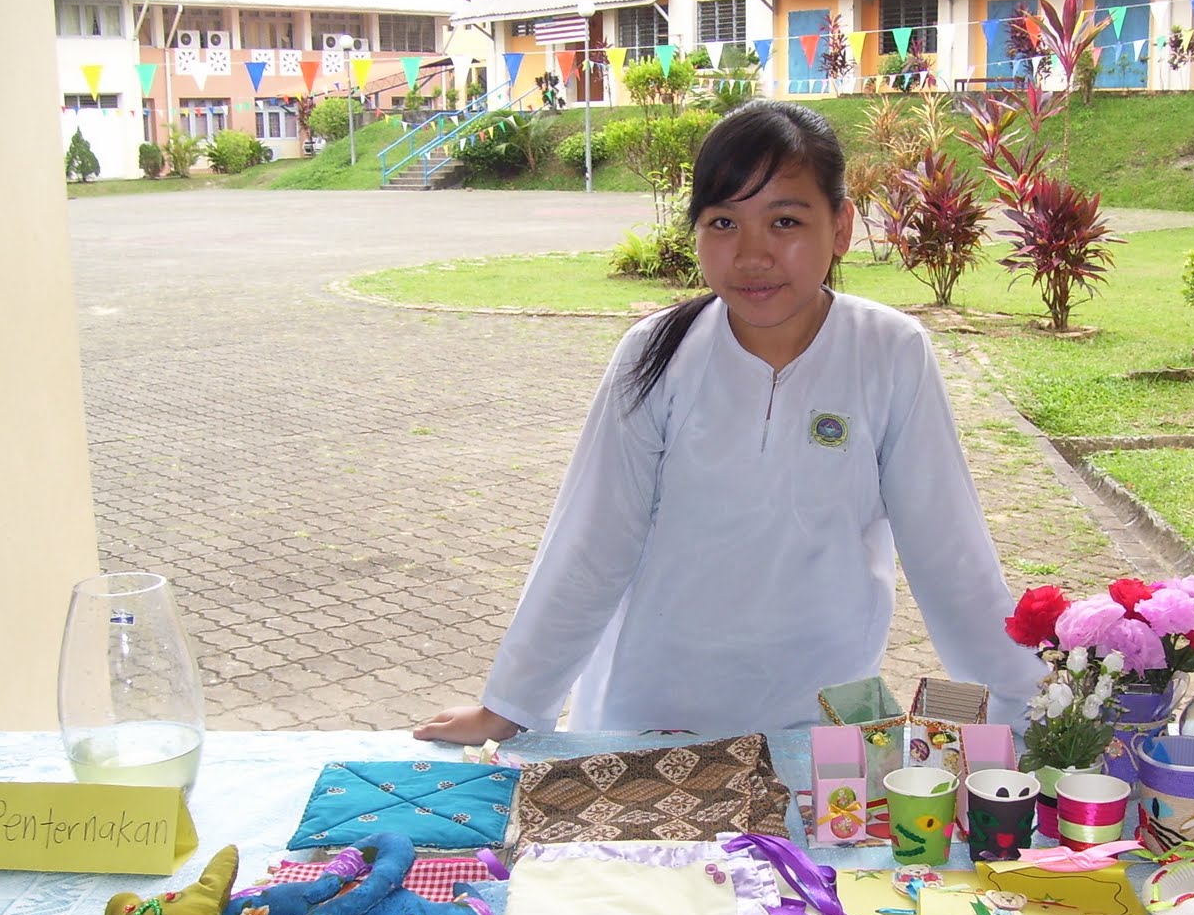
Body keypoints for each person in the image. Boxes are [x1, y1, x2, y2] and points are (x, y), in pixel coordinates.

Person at [414, 99, 1045, 745]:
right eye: (723, 222)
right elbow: (593, 542)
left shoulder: (890, 354)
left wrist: (1034, 710)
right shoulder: (656, 355)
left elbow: (951, 558)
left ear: (843, 226)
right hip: (651, 718)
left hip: (820, 726)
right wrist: (514, 703)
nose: (752, 255)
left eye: (785, 221)